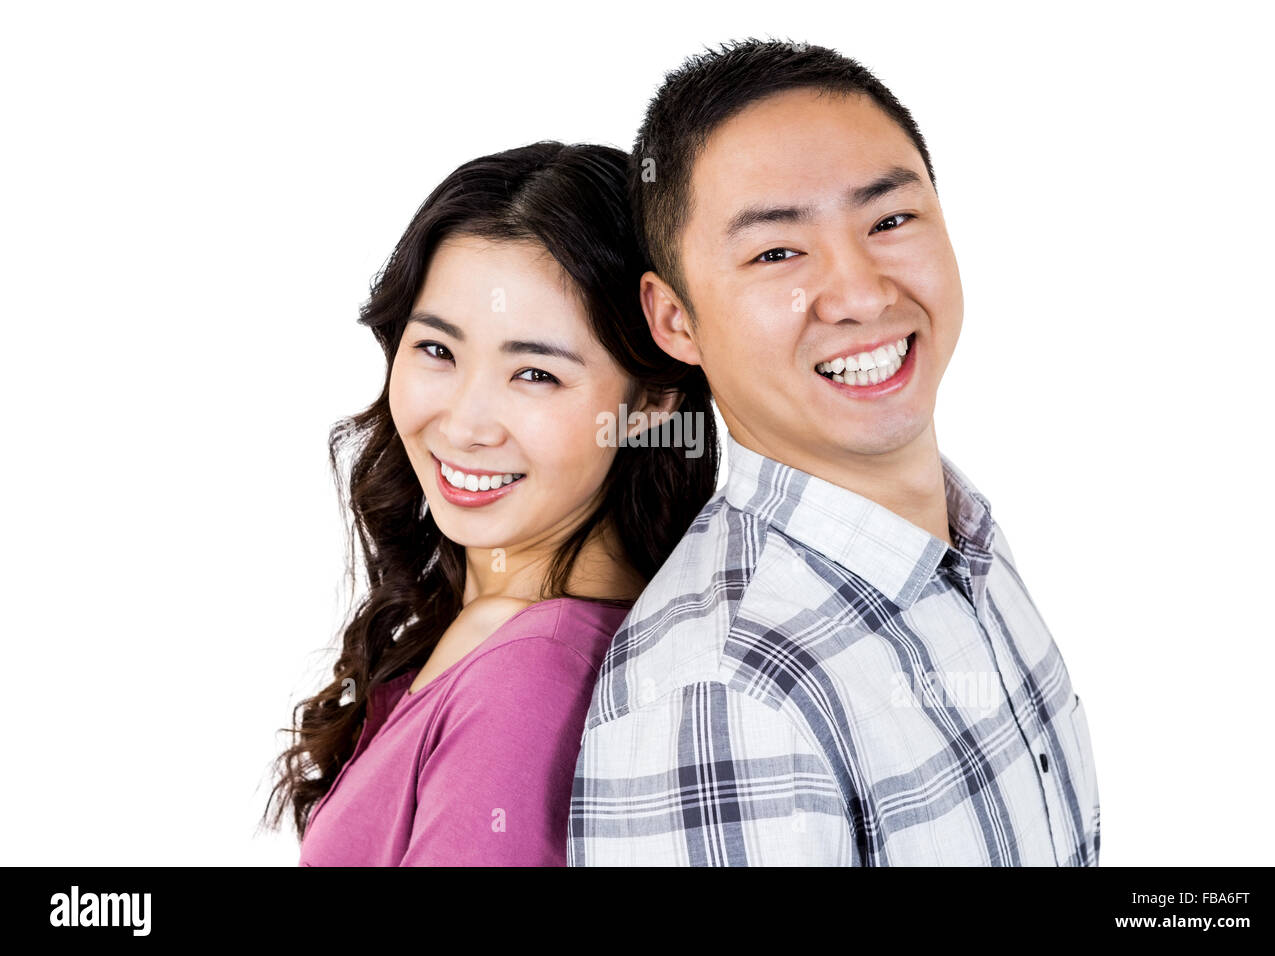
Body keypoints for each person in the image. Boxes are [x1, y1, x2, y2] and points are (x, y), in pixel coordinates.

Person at [567, 39, 1101, 866]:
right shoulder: (722, 697)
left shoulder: (967, 541)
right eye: (777, 252)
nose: (860, 293)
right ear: (675, 319)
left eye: (890, 220)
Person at [259, 141, 720, 865]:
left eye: (534, 373)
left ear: (654, 399)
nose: (466, 424)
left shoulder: (529, 681)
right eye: (438, 351)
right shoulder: (495, 630)